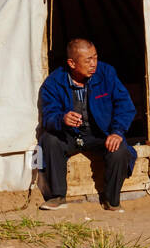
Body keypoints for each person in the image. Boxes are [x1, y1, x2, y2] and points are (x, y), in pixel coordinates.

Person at [37, 38, 136, 211]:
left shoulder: (106, 73)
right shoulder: (54, 82)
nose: (93, 64)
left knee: (120, 150)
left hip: (100, 133)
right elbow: (48, 116)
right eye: (88, 60)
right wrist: (62, 119)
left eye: (95, 57)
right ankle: (57, 196)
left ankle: (112, 200)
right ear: (72, 63)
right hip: (69, 134)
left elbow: (125, 105)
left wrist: (117, 132)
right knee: (49, 140)